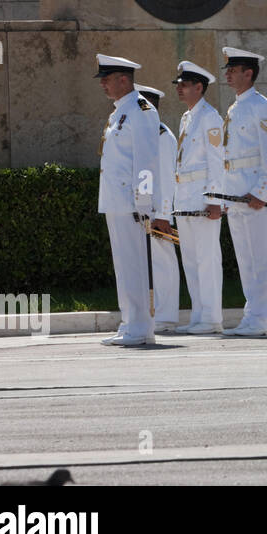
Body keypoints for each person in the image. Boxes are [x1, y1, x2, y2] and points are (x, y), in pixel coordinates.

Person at [94, 54, 161, 347]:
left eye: (107, 79)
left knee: (134, 265)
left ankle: (140, 327)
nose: (103, 85)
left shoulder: (141, 110)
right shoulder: (119, 112)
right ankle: (129, 323)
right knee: (124, 265)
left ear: (124, 79)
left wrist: (144, 204)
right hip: (116, 200)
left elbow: (146, 161)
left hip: (132, 204)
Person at [219, 47, 267, 338]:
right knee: (246, 259)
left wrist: (261, 191)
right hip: (235, 193)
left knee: (260, 257)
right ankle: (251, 315)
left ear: (249, 73)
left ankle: (261, 318)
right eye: (228, 70)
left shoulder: (262, 106)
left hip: (254, 194)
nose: (228, 74)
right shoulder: (235, 108)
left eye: (234, 70)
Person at [171, 60, 225, 334]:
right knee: (191, 261)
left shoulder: (210, 117)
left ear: (199, 87)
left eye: (184, 84)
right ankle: (198, 316)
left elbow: (217, 160)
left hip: (204, 199)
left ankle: (212, 317)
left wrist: (215, 198)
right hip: (185, 199)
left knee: (207, 260)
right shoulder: (187, 117)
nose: (179, 89)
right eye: (179, 84)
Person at [136, 85, 181, 333]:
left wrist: (164, 215)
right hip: (144, 210)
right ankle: (152, 313)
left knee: (163, 263)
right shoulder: (144, 135)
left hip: (158, 212)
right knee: (148, 264)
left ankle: (167, 315)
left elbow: (166, 178)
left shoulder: (162, 136)